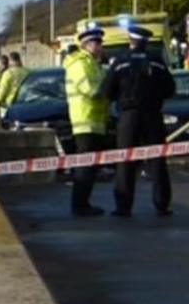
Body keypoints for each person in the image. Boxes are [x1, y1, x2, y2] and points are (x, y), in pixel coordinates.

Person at [104, 25, 176, 217]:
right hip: (153, 115)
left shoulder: (120, 62)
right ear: (146, 42)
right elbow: (170, 88)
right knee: (157, 159)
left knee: (125, 161)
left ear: (131, 41)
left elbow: (107, 90)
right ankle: (162, 203)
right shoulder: (157, 62)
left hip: (128, 116)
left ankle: (123, 205)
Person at [64, 28, 109, 216]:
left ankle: (84, 203)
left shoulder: (93, 64)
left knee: (90, 167)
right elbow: (90, 91)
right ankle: (80, 206)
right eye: (97, 44)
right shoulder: (81, 64)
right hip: (85, 120)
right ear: (87, 45)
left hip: (95, 120)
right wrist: (110, 89)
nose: (101, 47)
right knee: (85, 166)